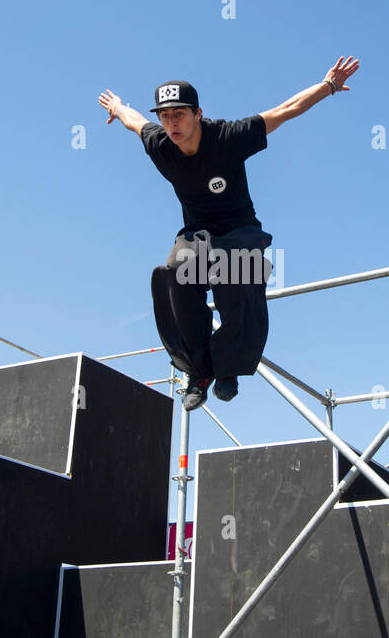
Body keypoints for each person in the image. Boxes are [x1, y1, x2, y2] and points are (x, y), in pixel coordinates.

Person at [98, 56, 360, 410]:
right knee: (175, 270)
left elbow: (284, 111)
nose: (171, 124)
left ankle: (228, 367)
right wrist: (118, 106)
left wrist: (327, 86)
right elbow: (134, 122)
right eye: (165, 116)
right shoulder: (159, 144)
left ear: (198, 114)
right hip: (197, 234)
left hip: (240, 229)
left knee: (237, 272)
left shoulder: (228, 137)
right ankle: (198, 370)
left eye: (179, 115)